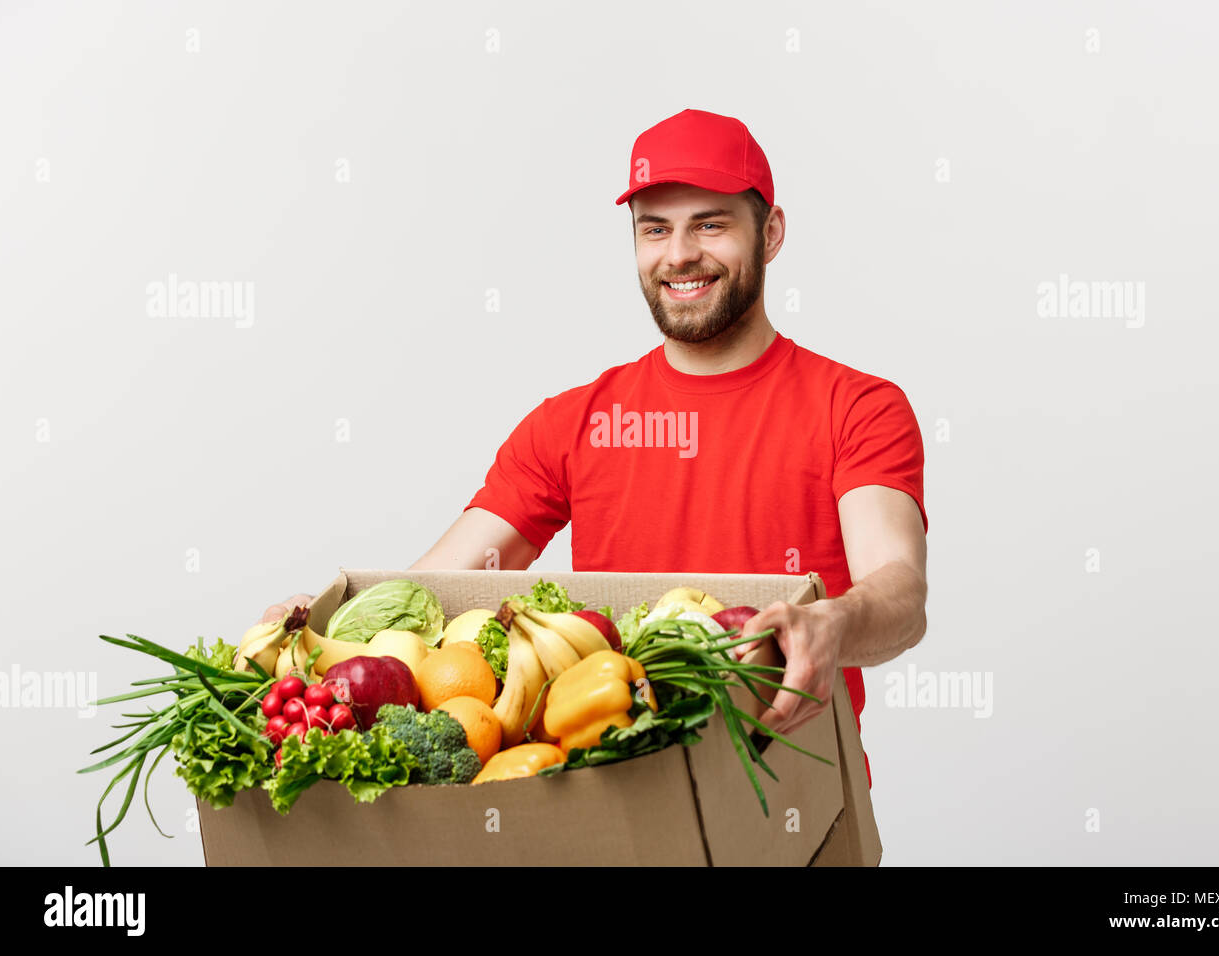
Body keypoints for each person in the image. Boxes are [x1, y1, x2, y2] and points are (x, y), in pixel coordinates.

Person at [260, 108, 928, 787]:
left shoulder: (857, 406)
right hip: (616, 802)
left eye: (711, 223)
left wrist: (834, 623)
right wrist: (319, 628)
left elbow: (900, 594)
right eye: (655, 229)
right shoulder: (572, 423)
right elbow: (435, 590)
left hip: (792, 805)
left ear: (772, 232)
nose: (679, 254)